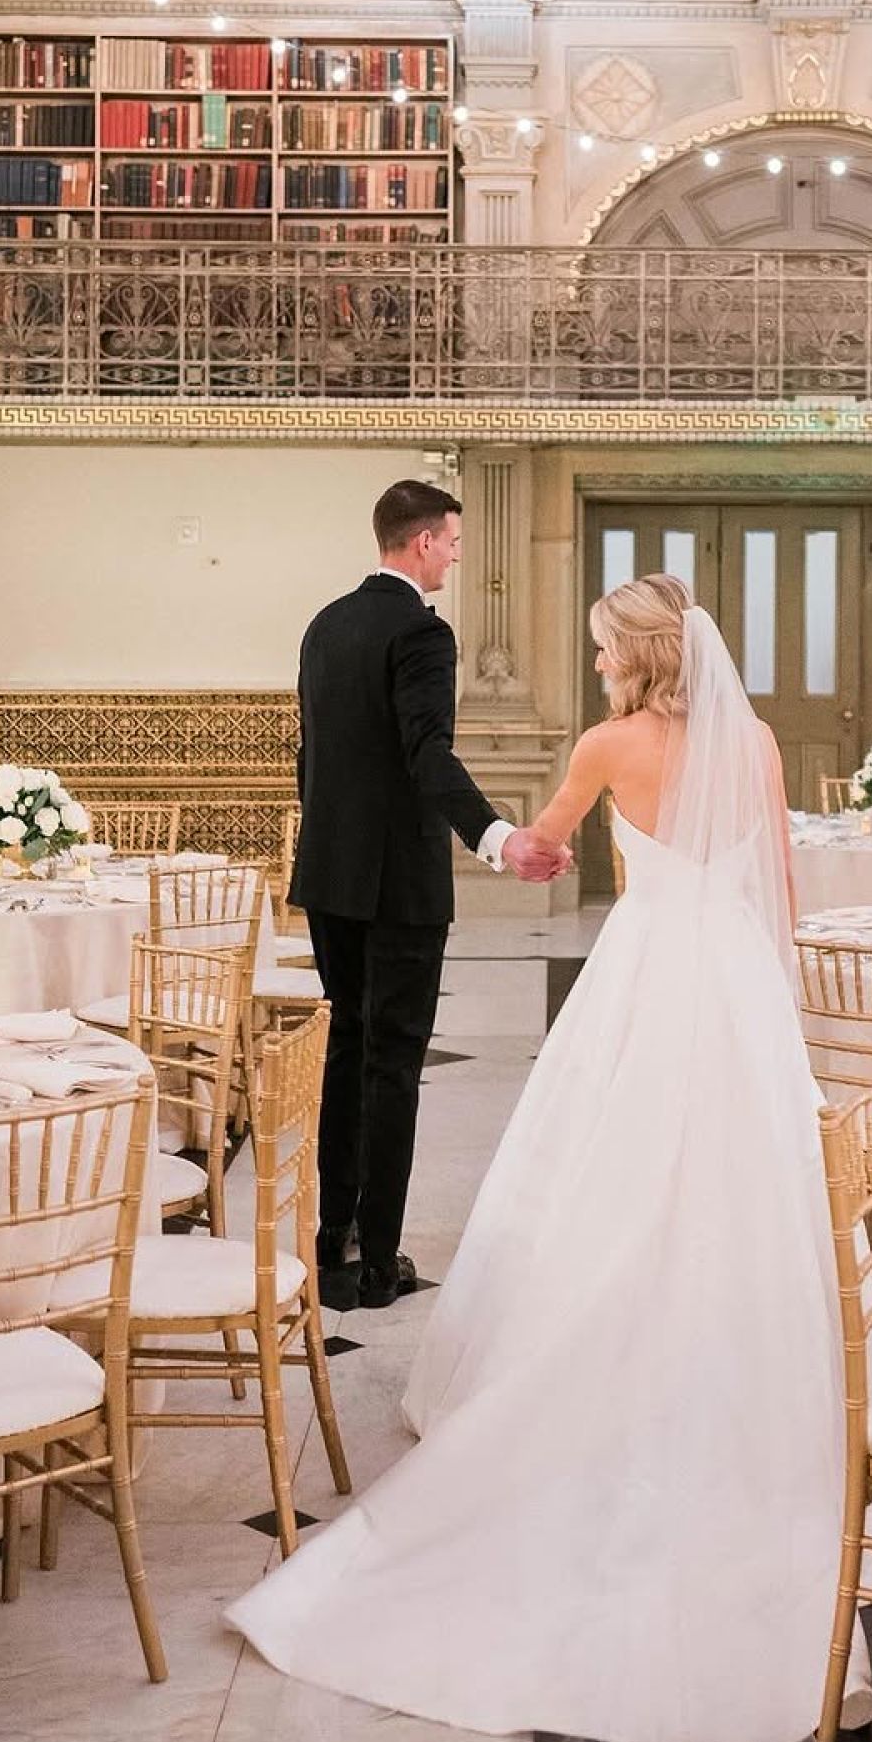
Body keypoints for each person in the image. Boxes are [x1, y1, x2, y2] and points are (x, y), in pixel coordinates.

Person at [230, 573, 851, 1742]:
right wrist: (772, 990)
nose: (598, 665)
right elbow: (781, 872)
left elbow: (549, 843)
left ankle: (601, 1343)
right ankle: (735, 1356)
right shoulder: (758, 740)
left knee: (602, 1166)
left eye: (602, 649)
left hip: (647, 972)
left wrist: (527, 848)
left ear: (629, 655)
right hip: (736, 977)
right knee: (739, 1170)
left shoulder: (611, 743)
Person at [291, 479, 566, 1310]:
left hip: (331, 875)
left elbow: (314, 757)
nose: (454, 553)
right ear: (419, 543)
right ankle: (378, 1261)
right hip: (396, 887)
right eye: (450, 541)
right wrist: (496, 835)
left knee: (346, 1053)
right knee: (394, 1065)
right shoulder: (422, 631)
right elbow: (427, 754)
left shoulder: (325, 625)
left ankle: (329, 1236)